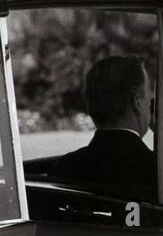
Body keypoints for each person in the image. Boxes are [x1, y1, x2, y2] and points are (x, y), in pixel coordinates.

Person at [48, 55, 156, 195]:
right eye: (149, 95)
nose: (150, 103)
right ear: (138, 102)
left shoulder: (64, 167)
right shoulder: (158, 171)